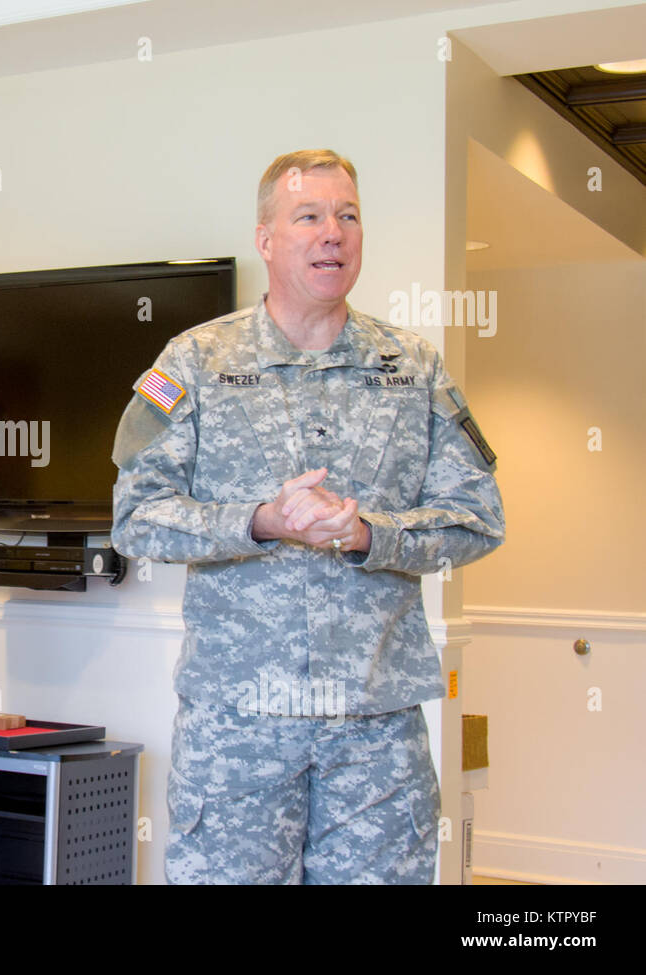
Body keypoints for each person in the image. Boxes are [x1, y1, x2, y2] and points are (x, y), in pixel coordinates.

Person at [111, 149, 504, 884]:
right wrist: (260, 520)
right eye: (311, 216)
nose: (334, 233)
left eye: (348, 215)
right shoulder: (195, 361)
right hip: (239, 730)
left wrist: (368, 535)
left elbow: (478, 516)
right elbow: (137, 517)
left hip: (375, 735)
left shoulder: (411, 366)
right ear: (266, 238)